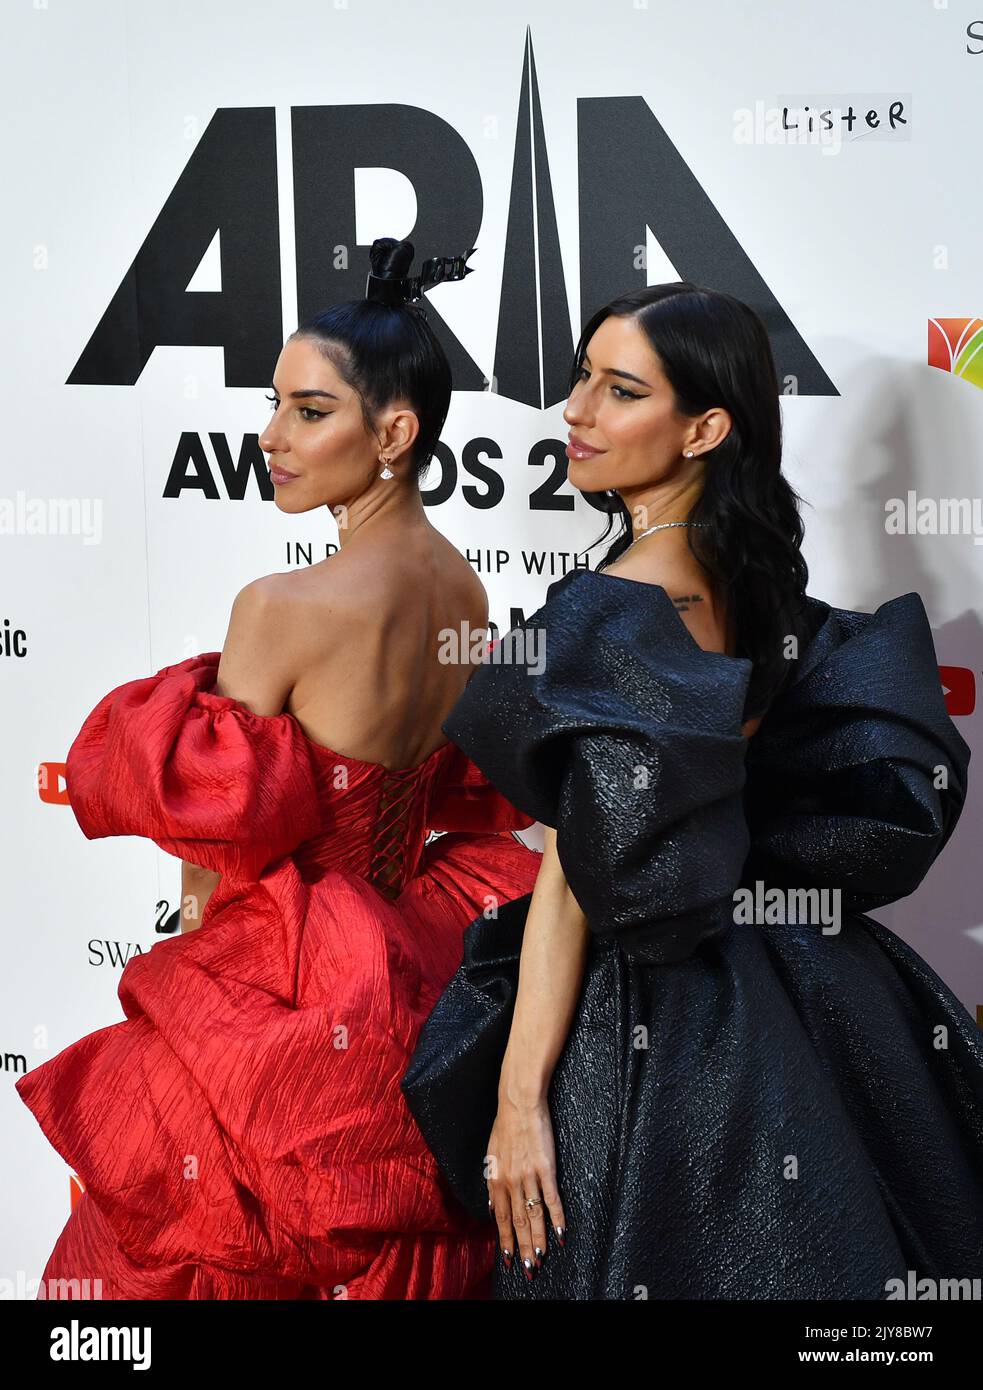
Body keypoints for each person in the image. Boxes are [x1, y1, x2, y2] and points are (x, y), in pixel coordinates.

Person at [401, 281, 983, 1300]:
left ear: (705, 426)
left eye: (619, 390)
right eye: (582, 376)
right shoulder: (739, 574)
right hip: (803, 986)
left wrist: (521, 1095)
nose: (574, 412)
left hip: (662, 1023)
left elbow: (585, 873)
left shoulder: (625, 598)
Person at [16, 237, 542, 1300]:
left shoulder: (281, 608)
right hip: (416, 964)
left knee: (202, 1245)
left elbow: (216, 836)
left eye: (309, 412)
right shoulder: (463, 594)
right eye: (273, 405)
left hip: (278, 973)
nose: (269, 437)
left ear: (393, 433)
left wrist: (194, 981)